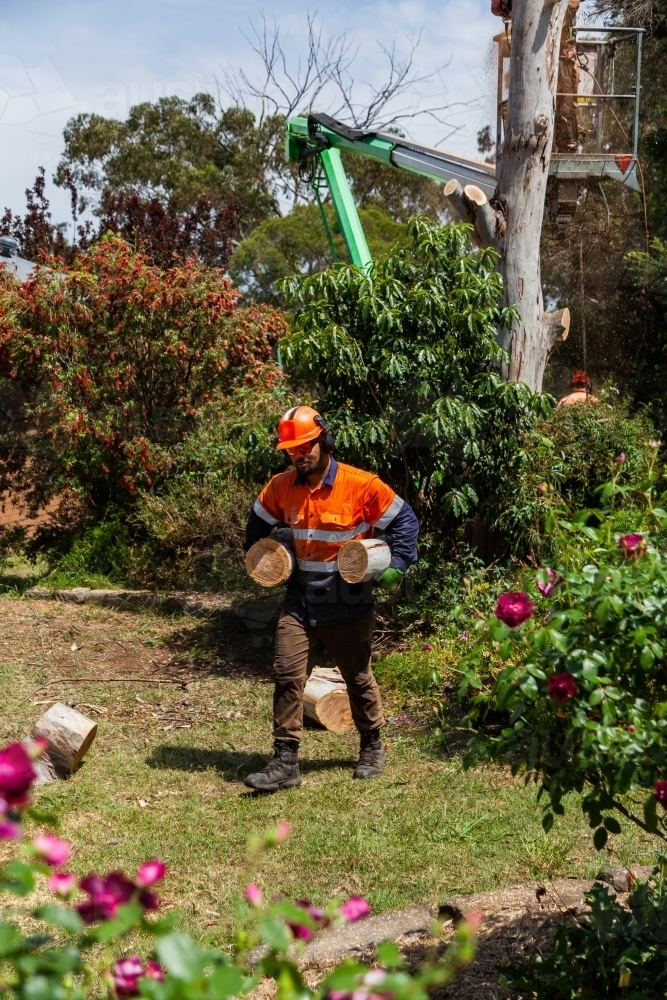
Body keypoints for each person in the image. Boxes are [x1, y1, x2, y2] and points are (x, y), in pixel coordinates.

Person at [242, 405, 419, 792]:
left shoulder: (361, 485)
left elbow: (406, 523)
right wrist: (268, 550)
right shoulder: (280, 486)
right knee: (287, 675)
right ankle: (285, 761)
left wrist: (397, 565)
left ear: (324, 441)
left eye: (305, 446)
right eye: (292, 449)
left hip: (348, 600)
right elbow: (256, 523)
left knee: (357, 677)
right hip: (300, 600)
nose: (299, 455)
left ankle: (372, 744)